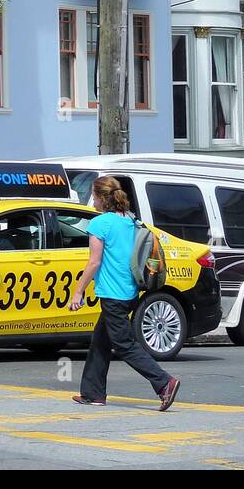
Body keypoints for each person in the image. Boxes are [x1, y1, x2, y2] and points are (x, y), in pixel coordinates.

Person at [72, 176, 180, 411]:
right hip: (130, 291)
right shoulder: (131, 221)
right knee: (100, 342)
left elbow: (94, 263)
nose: (91, 199)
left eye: (93, 194)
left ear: (102, 198)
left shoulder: (100, 224)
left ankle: (164, 383)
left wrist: (78, 292)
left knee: (124, 344)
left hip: (113, 294)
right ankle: (93, 393)